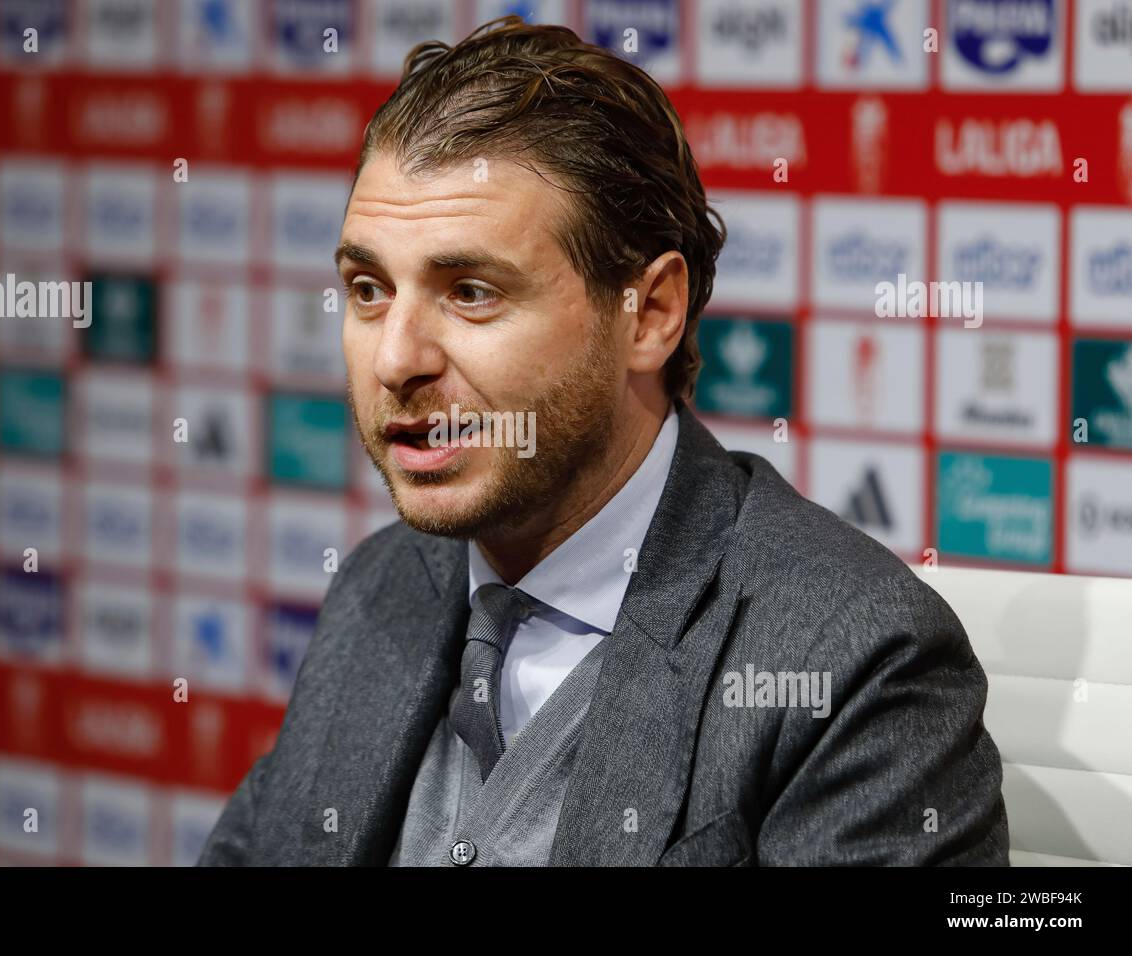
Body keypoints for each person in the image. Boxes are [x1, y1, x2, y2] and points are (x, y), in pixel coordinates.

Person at [199, 16, 1009, 866]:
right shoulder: (380, 588)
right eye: (368, 289)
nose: (396, 357)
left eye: (470, 291)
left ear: (649, 313)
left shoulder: (849, 660)